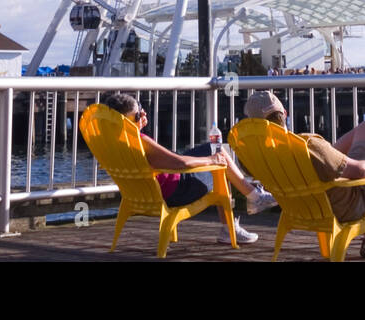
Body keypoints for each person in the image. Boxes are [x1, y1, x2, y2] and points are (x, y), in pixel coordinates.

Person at [242, 90, 365, 258]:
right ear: (285, 114)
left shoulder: (251, 155)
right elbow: (361, 171)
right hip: (342, 207)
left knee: (328, 159)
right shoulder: (308, 145)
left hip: (297, 208)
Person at [102, 92, 275, 245]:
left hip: (142, 194)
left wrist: (138, 124)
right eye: (138, 115)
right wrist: (210, 160)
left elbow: (160, 162)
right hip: (177, 191)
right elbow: (180, 164)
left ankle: (251, 198)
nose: (143, 114)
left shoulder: (110, 142)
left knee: (212, 148)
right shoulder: (140, 141)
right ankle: (248, 204)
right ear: (126, 121)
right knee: (219, 157)